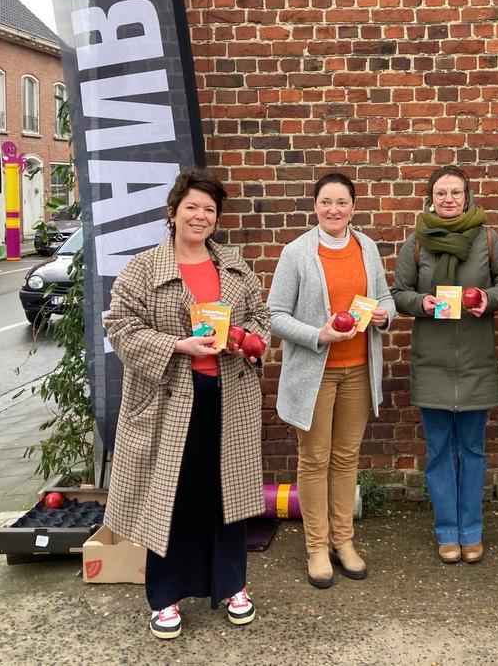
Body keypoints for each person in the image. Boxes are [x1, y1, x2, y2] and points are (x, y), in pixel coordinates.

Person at [103, 168, 268, 640]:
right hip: (168, 402)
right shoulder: (143, 269)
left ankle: (233, 584)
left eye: (209, 210)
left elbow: (261, 317)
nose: (201, 216)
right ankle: (166, 597)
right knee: (172, 497)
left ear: (217, 219)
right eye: (192, 207)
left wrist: (250, 340)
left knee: (227, 493)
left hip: (228, 398)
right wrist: (178, 346)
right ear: (172, 212)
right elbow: (121, 327)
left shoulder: (234, 267)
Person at [268, 173, 396, 589]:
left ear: (353, 207)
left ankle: (344, 541)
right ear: (315, 206)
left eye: (342, 202)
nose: (334, 210)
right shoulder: (296, 253)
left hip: (358, 369)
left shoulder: (368, 247)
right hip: (315, 374)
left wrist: (384, 315)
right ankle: (317, 547)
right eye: (326, 202)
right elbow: (275, 315)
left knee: (346, 459)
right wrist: (318, 334)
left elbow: (386, 298)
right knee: (314, 459)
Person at [391, 166, 498, 564]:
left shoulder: (487, 238)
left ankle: (472, 530)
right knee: (439, 451)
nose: (448, 199)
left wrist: (487, 298)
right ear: (430, 198)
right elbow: (398, 293)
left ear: (468, 197)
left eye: (456, 193)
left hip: (476, 360)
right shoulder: (416, 242)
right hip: (432, 359)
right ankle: (447, 531)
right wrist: (421, 303)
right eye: (441, 193)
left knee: (473, 450)